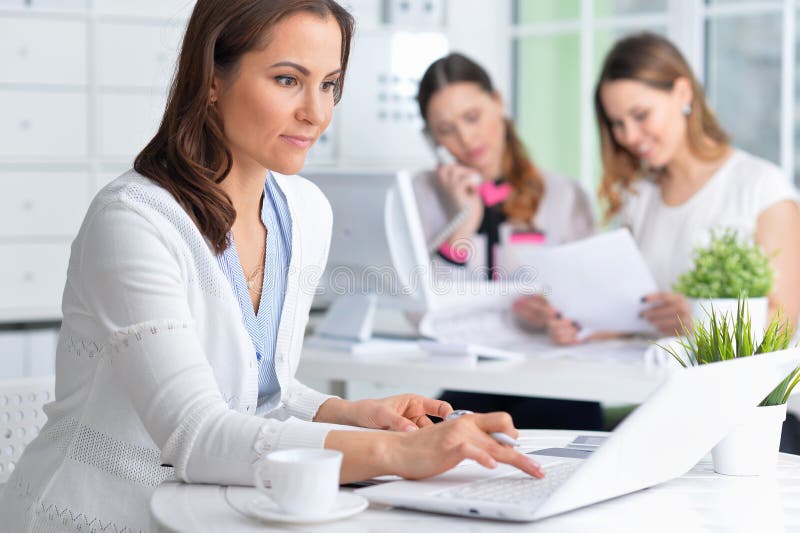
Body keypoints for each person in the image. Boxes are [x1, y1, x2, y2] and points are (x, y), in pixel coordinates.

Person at [0, 3, 543, 532]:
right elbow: (196, 434)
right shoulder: (135, 222)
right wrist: (397, 451)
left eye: (329, 83)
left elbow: (262, 394)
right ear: (212, 78)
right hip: (91, 517)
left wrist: (344, 412)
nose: (317, 112)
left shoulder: (305, 212)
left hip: (217, 511)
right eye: (288, 80)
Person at [516, 32, 800, 346]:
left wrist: (700, 319)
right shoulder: (640, 196)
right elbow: (637, 313)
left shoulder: (761, 187)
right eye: (617, 123)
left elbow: (784, 322)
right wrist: (580, 326)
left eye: (640, 115)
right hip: (648, 377)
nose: (629, 136)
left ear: (682, 93)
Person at [415, 52, 603, 431]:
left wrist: (557, 316)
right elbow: (421, 315)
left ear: (498, 103)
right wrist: (462, 222)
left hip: (555, 381)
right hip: (473, 381)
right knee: (437, 435)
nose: (466, 139)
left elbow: (594, 304)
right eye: (446, 130)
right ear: (432, 138)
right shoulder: (420, 195)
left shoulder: (563, 195)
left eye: (472, 117)